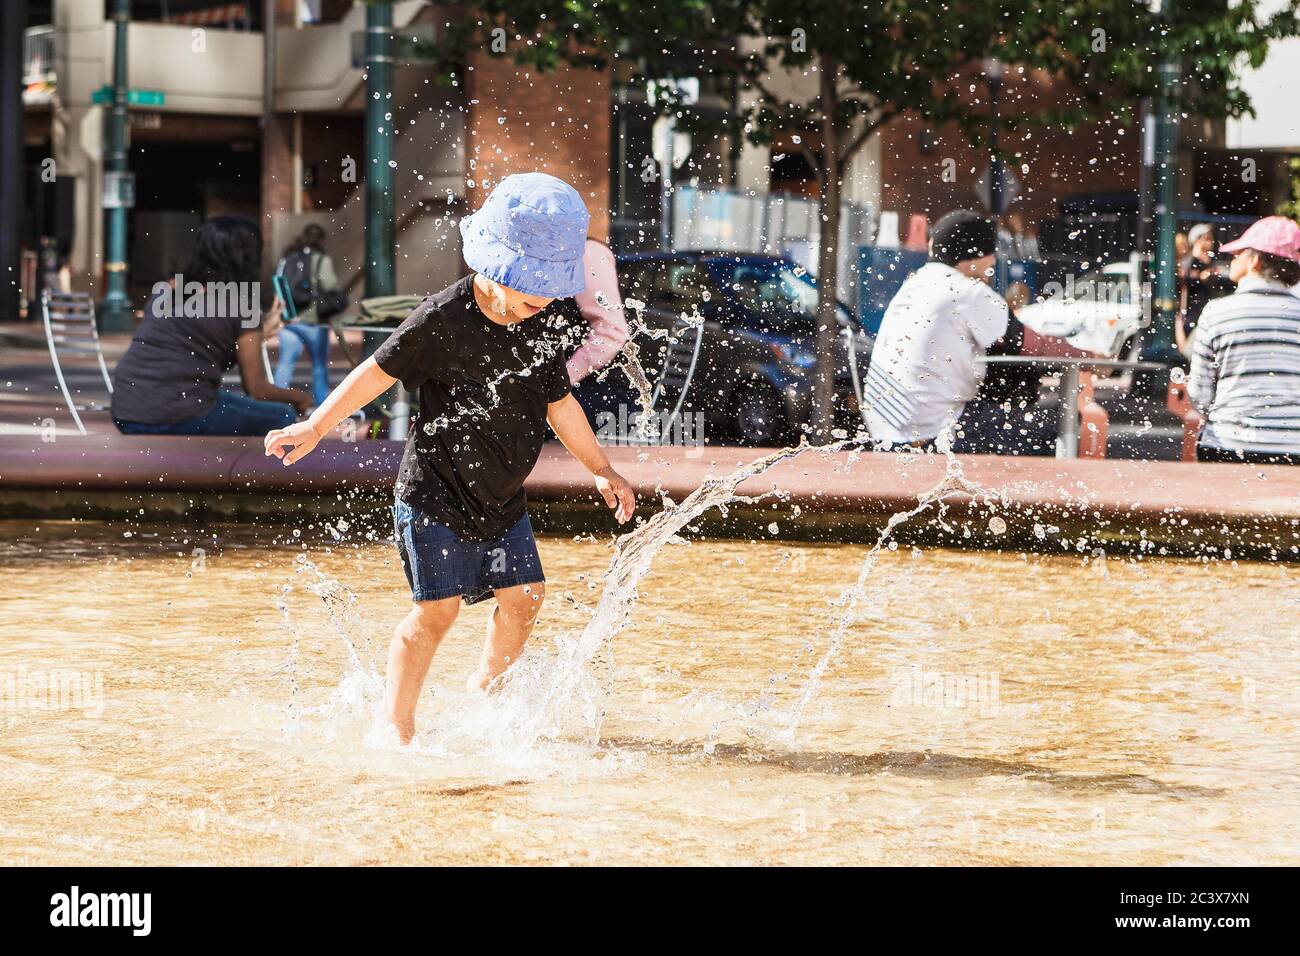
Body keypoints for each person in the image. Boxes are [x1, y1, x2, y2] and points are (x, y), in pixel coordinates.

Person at [263, 172, 637, 744]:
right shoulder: (442, 319)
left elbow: (560, 405)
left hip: (502, 499)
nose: (544, 307)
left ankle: (484, 696)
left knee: (527, 598)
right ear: (501, 271)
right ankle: (395, 724)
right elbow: (375, 374)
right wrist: (318, 425)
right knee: (438, 613)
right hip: (435, 495)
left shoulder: (539, 328)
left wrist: (600, 468)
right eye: (536, 294)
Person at [863, 209, 1054, 454]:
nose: (993, 262)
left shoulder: (914, 285)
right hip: (935, 434)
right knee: (1052, 424)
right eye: (989, 253)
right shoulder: (967, 291)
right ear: (972, 256)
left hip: (885, 434)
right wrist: (1093, 357)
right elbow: (1035, 345)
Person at [112, 216, 311, 436]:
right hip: (178, 414)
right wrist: (299, 397)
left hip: (125, 409)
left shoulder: (169, 289)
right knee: (282, 415)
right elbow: (257, 389)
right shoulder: (242, 304)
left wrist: (259, 331)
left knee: (224, 399)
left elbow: (190, 339)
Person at [1188, 215, 1300, 465]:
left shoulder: (1217, 312)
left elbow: (1199, 394)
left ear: (1256, 261)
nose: (1233, 258)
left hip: (1228, 445)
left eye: (1239, 252)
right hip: (1295, 451)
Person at [273, 224, 343, 407]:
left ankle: (276, 402)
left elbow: (278, 285)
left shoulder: (288, 257)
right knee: (319, 365)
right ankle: (321, 404)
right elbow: (330, 285)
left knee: (285, 364)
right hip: (313, 321)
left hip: (289, 319)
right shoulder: (320, 259)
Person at [1178, 223, 1232, 357]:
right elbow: (1185, 285)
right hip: (1192, 316)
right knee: (1191, 355)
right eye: (1207, 238)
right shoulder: (1190, 261)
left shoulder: (1210, 262)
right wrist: (1201, 278)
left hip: (1206, 314)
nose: (1211, 242)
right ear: (1197, 240)